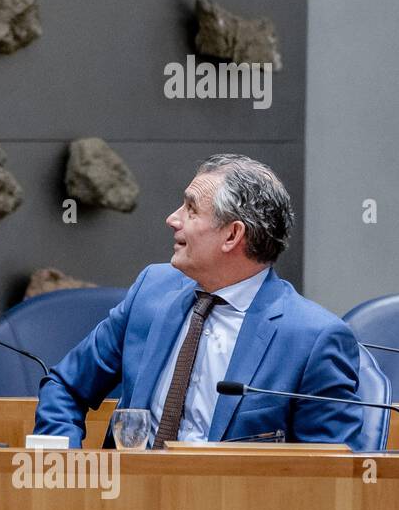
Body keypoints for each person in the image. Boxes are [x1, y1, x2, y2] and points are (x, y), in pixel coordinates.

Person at [33, 154, 363, 448]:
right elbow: (65, 386)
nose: (172, 219)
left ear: (233, 235)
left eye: (191, 209)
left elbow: (331, 477)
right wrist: (65, 472)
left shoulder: (312, 339)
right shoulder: (152, 290)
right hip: (125, 501)